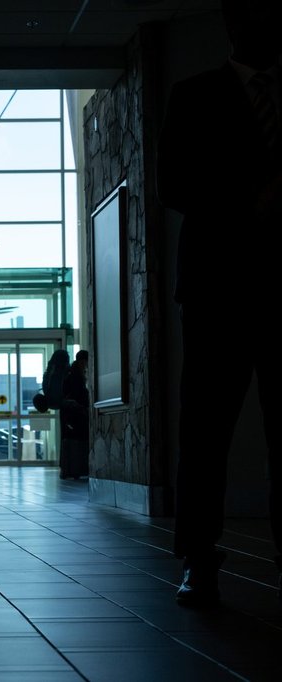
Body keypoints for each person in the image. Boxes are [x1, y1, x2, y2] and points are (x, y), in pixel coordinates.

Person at [157, 0, 282, 606]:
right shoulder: (195, 95)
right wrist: (249, 201)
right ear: (233, 24)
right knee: (205, 433)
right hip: (218, 287)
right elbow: (174, 181)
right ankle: (199, 560)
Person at [59, 350, 90, 480]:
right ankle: (75, 470)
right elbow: (79, 394)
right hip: (75, 414)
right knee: (77, 441)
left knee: (70, 441)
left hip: (69, 414)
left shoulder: (71, 374)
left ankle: (70, 470)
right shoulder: (76, 376)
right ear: (83, 361)